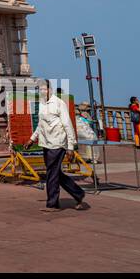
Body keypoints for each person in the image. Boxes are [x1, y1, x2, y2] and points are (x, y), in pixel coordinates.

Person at [30, 81, 88, 211]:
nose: (41, 92)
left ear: (49, 89)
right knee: (55, 172)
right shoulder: (42, 104)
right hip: (46, 143)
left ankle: (53, 203)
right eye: (39, 89)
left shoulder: (59, 104)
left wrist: (71, 147)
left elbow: (68, 125)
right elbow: (41, 124)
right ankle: (78, 193)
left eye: (43, 89)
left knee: (51, 173)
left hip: (57, 142)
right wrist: (32, 138)